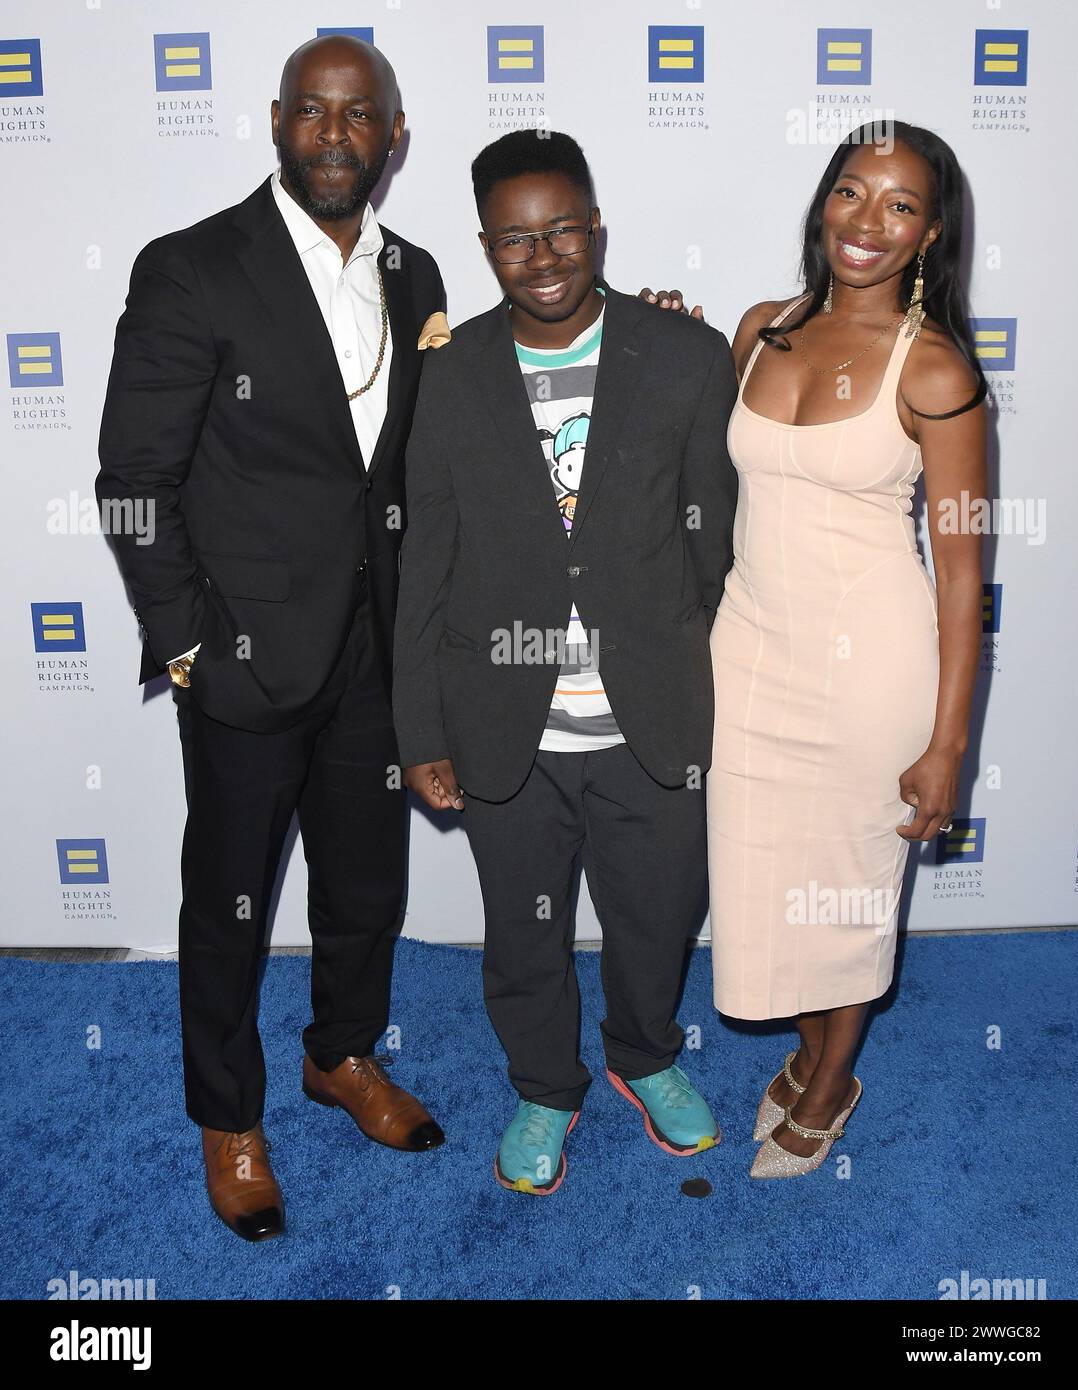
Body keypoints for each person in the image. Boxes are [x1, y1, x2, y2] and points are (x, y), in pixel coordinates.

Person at [96, 34, 449, 1241]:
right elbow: (134, 482)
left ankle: (340, 1055)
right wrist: (187, 646)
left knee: (365, 883)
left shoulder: (416, 275)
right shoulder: (193, 268)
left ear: (393, 135)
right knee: (231, 898)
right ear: (275, 121)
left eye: (360, 117)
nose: (335, 136)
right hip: (242, 652)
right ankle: (227, 1114)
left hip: (377, 653)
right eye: (313, 113)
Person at [392, 129, 739, 1194]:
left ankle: (644, 1055)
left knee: (653, 915)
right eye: (512, 240)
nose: (541, 257)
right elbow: (425, 568)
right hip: (507, 723)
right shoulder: (449, 377)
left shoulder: (683, 352)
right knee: (523, 933)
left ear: (596, 228)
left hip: (651, 720)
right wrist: (420, 732)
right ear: (485, 247)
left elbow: (716, 548)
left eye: (561, 231)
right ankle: (544, 1083)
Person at [706, 121, 987, 1178]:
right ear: (820, 201)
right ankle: (805, 1041)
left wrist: (947, 744)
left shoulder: (933, 371)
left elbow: (959, 574)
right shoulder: (759, 329)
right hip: (748, 652)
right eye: (850, 193)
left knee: (849, 886)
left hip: (866, 669)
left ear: (929, 234)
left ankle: (829, 1081)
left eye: (899, 205)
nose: (867, 223)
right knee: (771, 877)